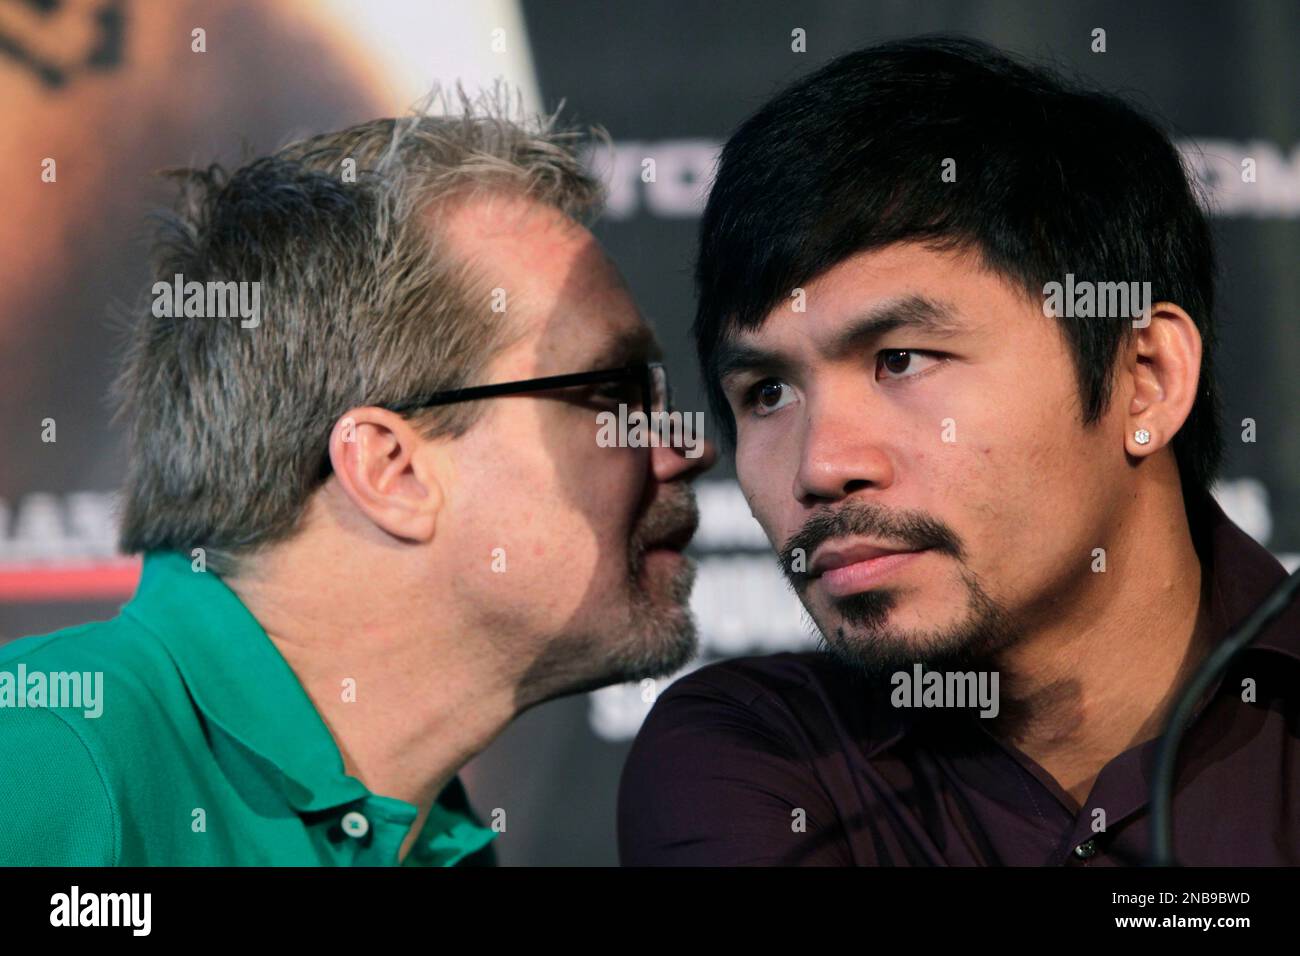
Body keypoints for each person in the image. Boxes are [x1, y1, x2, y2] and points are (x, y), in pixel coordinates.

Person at [618, 36, 1300, 866]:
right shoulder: (750, 756)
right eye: (768, 393)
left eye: (900, 359)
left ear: (1144, 378)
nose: (820, 466)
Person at [0, 90, 714, 865]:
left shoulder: (443, 845)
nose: (688, 447)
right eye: (613, 394)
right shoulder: (44, 759)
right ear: (391, 469)